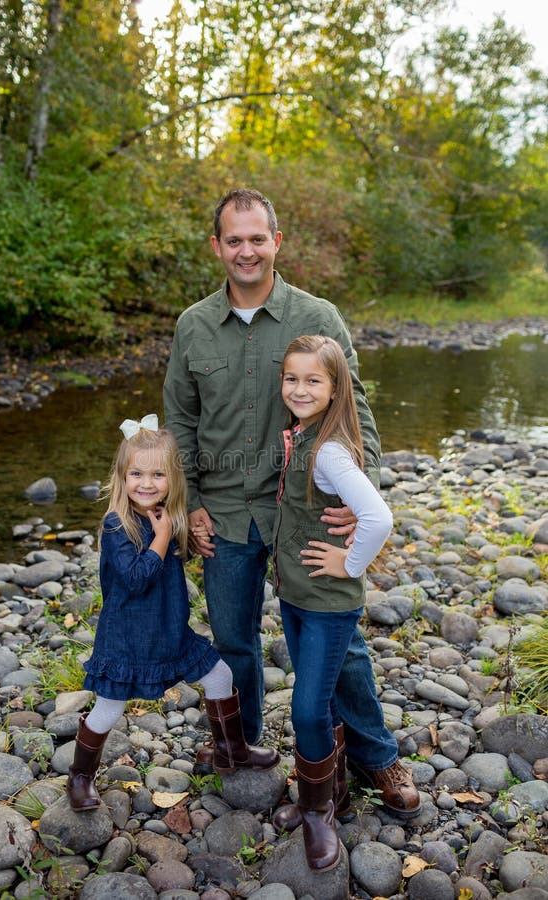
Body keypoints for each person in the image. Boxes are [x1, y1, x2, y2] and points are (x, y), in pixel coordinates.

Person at [163, 188, 418, 818]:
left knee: (340, 644)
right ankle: (243, 739)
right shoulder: (193, 325)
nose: (246, 251)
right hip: (225, 509)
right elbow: (180, 422)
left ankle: (375, 756)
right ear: (217, 246)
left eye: (258, 238)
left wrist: (362, 493)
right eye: (234, 240)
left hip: (306, 507)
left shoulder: (317, 316)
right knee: (233, 638)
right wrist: (188, 504)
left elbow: (355, 411)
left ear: (276, 242)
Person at [66, 414, 279, 812]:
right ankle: (80, 776)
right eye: (136, 474)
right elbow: (135, 579)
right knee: (108, 709)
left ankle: (232, 749)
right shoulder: (117, 525)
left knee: (219, 674)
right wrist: (163, 538)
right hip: (128, 638)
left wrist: (185, 536)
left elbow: (174, 559)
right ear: (122, 477)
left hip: (170, 631)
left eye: (158, 475)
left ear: (173, 480)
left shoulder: (165, 515)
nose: (146, 484)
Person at [272, 335, 418, 870]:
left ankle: (317, 814)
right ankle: (333, 794)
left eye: (313, 380)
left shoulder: (329, 451)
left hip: (327, 606)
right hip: (296, 596)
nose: (300, 389)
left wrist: (349, 564)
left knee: (307, 708)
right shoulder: (301, 434)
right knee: (326, 702)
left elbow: (378, 517)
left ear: (336, 389)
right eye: (292, 379)